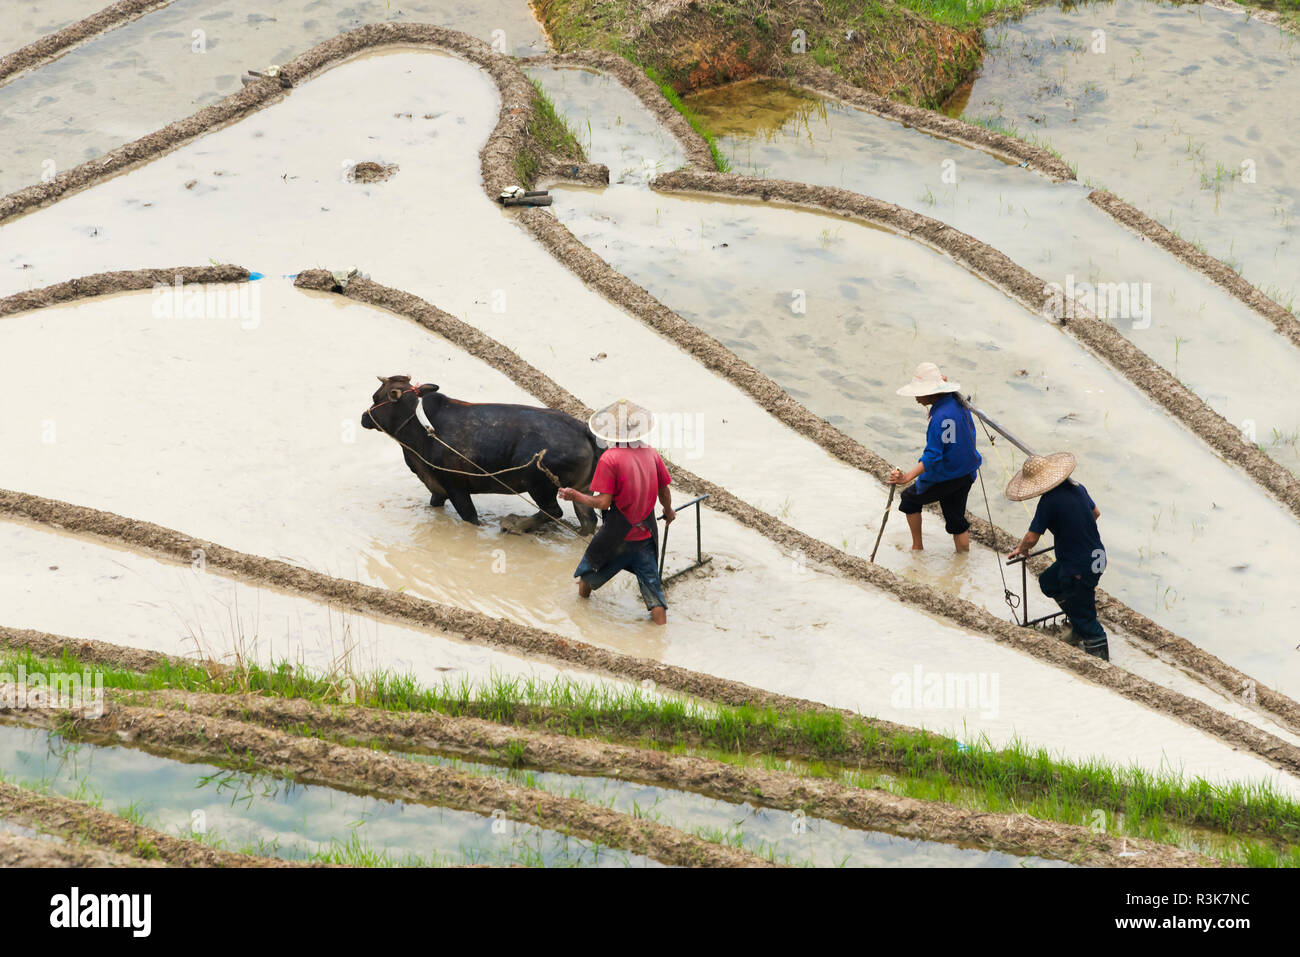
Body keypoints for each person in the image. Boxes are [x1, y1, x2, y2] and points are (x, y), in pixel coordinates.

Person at [559, 398, 675, 625]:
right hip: (646, 535)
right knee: (655, 598)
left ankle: (579, 618)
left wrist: (576, 496)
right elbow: (664, 490)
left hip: (616, 537)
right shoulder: (651, 453)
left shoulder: (610, 459)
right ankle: (660, 639)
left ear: (610, 433)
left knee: (587, 575)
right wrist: (668, 511)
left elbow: (603, 502)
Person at [1005, 453, 1109, 661]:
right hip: (1097, 556)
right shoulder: (1078, 487)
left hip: (1079, 565)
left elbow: (1032, 537)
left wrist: (1022, 549)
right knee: (1048, 582)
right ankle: (1077, 618)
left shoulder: (1049, 501)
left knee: (1086, 616)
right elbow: (1096, 512)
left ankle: (1100, 660)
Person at [887, 362, 982, 552]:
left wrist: (906, 478)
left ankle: (917, 547)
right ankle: (963, 559)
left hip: (946, 475)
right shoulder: (957, 402)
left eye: (919, 392)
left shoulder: (939, 418)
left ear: (931, 393)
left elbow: (933, 455)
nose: (916, 396)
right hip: (966, 471)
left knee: (909, 499)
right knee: (956, 521)